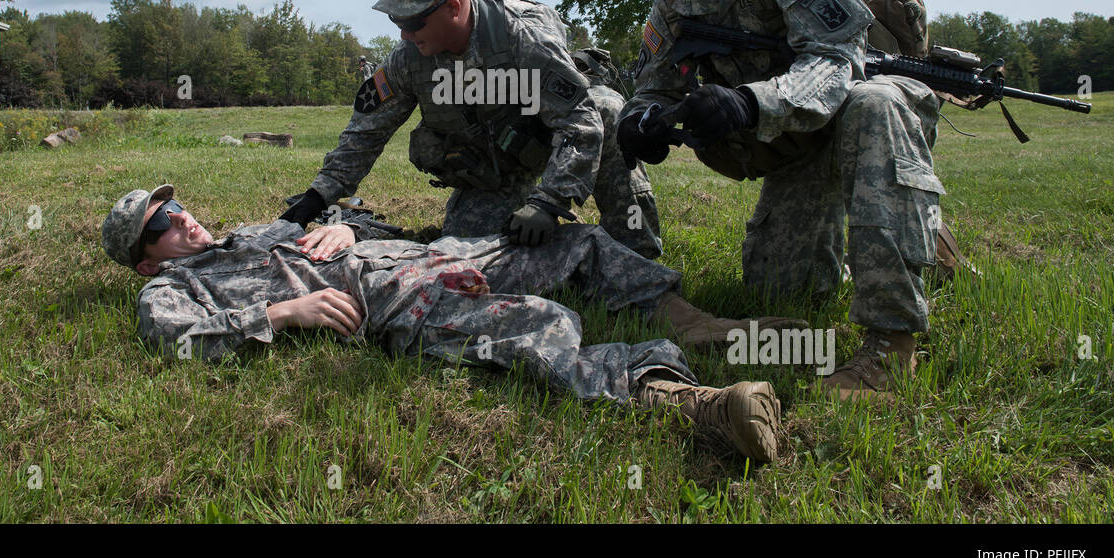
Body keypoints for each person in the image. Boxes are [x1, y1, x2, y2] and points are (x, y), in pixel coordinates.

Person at [101, 184, 784, 462]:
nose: (181, 218)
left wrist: (342, 224)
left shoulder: (256, 230)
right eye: (159, 224)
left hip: (432, 255)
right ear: (144, 260)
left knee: (576, 242)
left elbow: (363, 216)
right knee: (536, 323)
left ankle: (699, 322)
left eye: (176, 204)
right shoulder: (176, 288)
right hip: (396, 298)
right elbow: (177, 340)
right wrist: (284, 311)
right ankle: (693, 400)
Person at [618, 0, 945, 401]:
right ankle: (915, 235)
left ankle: (891, 350)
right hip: (795, 148)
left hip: (852, 120)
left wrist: (748, 102)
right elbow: (651, 81)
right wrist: (640, 118)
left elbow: (836, 61)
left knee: (874, 105)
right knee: (782, 291)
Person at [283, 0, 662, 260]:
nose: (403, 33)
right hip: (496, 167)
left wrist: (550, 202)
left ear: (452, 7)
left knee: (607, 109)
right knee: (465, 250)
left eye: (413, 21)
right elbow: (364, 134)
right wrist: (317, 197)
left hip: (554, 141)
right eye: (397, 20)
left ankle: (636, 253)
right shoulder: (409, 59)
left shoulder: (522, 34)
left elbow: (579, 122)